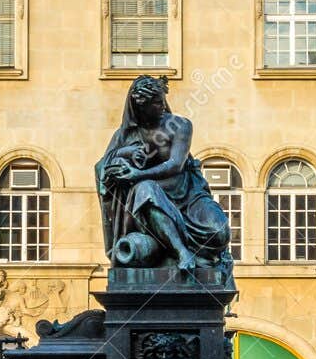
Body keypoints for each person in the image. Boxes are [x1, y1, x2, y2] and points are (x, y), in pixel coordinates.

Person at [95, 75, 231, 276]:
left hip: (189, 195)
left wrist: (138, 173)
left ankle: (194, 252)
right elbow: (102, 166)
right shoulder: (125, 135)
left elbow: (175, 164)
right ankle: (182, 252)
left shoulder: (180, 125)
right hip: (150, 199)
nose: (162, 105)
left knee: (219, 234)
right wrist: (127, 153)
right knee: (145, 189)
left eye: (162, 100)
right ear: (141, 107)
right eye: (156, 103)